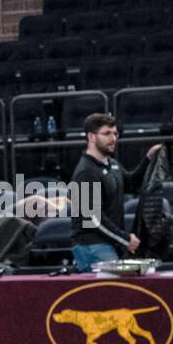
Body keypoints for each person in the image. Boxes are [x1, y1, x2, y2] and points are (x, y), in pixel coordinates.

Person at [68, 113, 162, 271]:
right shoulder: (85, 172)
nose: (113, 138)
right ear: (91, 136)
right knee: (114, 291)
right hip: (92, 245)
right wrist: (125, 239)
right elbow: (91, 218)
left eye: (115, 133)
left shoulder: (111, 164)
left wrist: (148, 158)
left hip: (108, 242)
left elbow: (131, 185)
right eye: (107, 134)